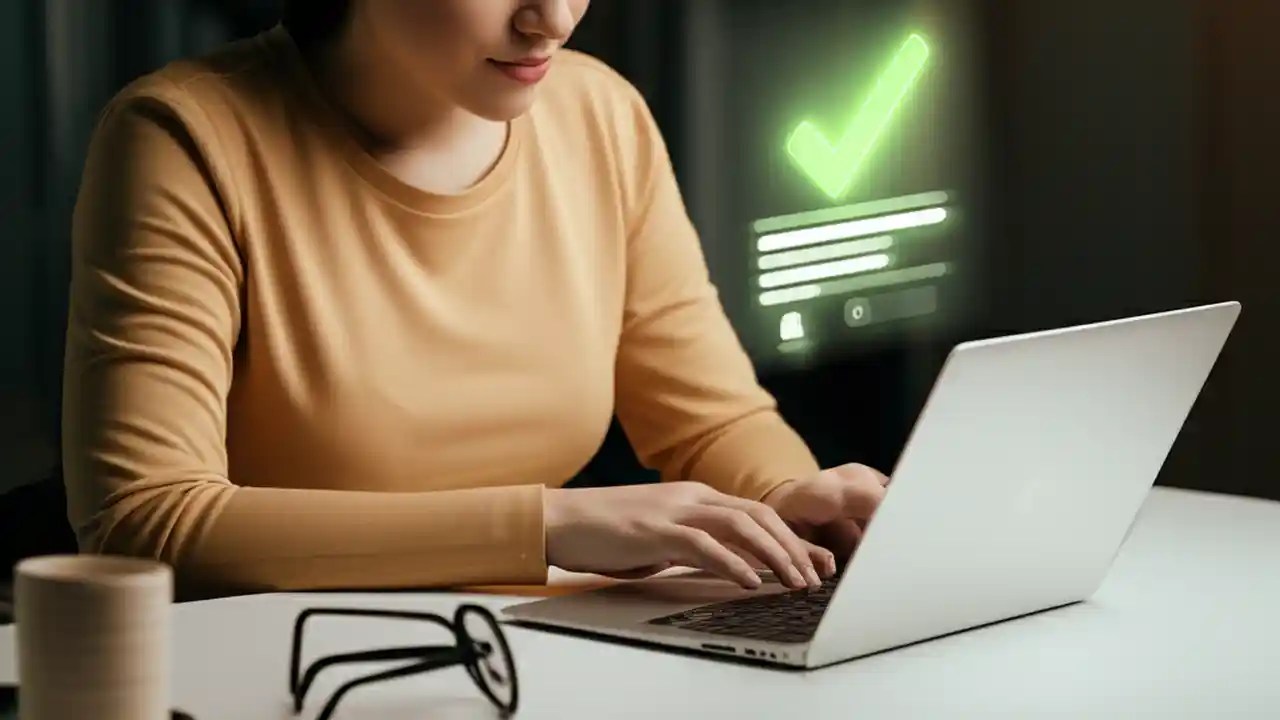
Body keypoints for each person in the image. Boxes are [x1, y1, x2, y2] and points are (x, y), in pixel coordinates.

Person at [61, 0, 889, 601]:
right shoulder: (186, 139)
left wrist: (788, 503)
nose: (554, 18)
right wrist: (548, 528)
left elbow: (711, 421)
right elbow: (145, 519)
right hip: (285, 665)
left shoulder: (598, 114)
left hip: (535, 646)